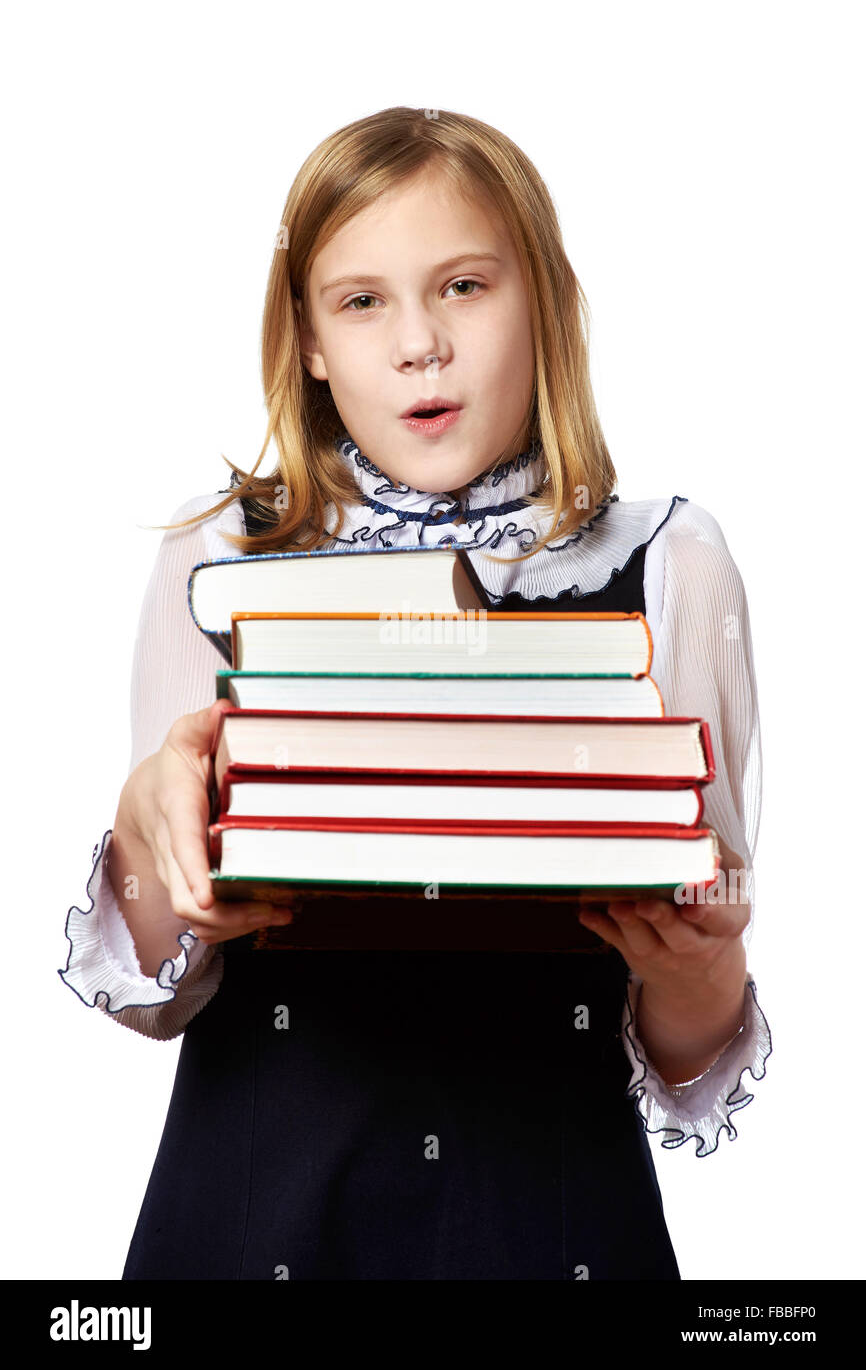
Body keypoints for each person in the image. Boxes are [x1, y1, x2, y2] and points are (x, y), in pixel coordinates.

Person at [59, 106, 771, 1281]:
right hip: (253, 1214)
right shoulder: (220, 553)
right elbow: (151, 992)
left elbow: (690, 1028)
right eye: (362, 301)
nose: (419, 345)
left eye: (464, 287)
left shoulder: (668, 564)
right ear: (311, 345)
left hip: (550, 1218)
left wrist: (699, 975)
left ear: (540, 301)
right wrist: (148, 832)